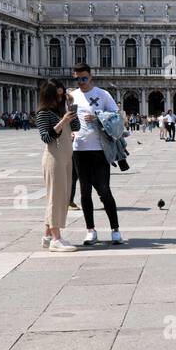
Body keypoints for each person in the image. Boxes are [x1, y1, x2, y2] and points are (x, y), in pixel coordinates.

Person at [68, 64, 124, 246]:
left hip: (100, 149)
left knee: (104, 191)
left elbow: (117, 117)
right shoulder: (72, 96)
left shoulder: (103, 94)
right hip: (79, 149)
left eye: (84, 78)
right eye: (77, 79)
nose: (81, 82)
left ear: (91, 77)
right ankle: (90, 230)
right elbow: (66, 117)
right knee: (84, 193)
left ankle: (115, 229)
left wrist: (98, 117)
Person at [35, 80, 79, 252]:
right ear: (49, 96)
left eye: (62, 96)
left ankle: (47, 236)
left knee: (62, 196)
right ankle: (56, 239)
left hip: (66, 157)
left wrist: (71, 108)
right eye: (57, 96)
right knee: (56, 198)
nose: (60, 99)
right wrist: (61, 122)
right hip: (54, 158)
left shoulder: (61, 110)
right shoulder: (43, 113)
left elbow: (77, 127)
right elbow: (46, 137)